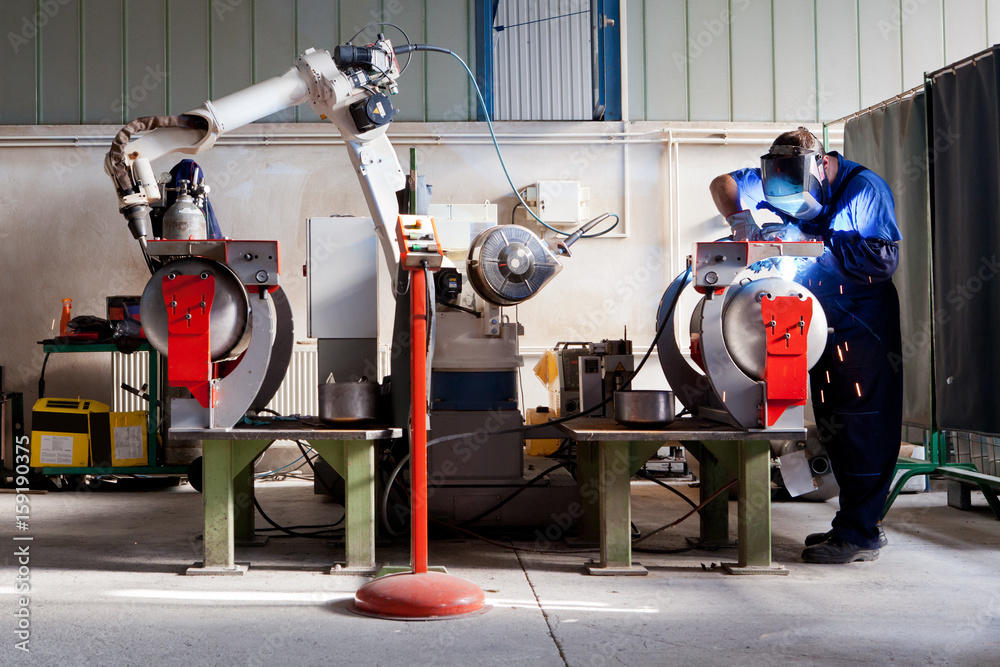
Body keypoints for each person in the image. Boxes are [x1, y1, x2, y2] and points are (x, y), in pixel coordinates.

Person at [709, 127, 903, 564]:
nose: (790, 201)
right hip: (818, 316)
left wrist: (806, 249)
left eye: (798, 194)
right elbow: (721, 184)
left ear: (820, 166)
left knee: (863, 424)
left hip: (863, 321)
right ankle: (853, 524)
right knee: (833, 418)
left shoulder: (863, 190)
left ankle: (861, 534)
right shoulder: (777, 171)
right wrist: (740, 220)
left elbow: (883, 260)